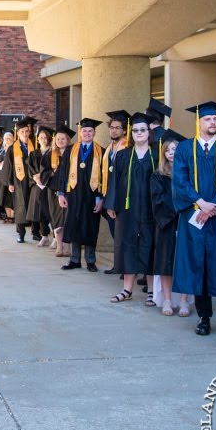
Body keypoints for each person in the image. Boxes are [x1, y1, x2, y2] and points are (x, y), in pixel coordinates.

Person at [172, 102, 216, 336]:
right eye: (208, 119)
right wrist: (200, 202)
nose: (213, 122)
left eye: (215, 119)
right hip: (195, 215)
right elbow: (180, 181)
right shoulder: (184, 149)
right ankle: (204, 318)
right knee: (199, 266)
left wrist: (215, 205)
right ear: (198, 122)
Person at [104, 113, 156, 302]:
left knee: (151, 247)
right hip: (128, 209)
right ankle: (127, 289)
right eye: (135, 130)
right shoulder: (124, 155)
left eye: (143, 130)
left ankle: (152, 291)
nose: (139, 133)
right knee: (128, 245)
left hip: (151, 210)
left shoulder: (156, 155)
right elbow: (114, 181)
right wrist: (111, 204)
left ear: (149, 132)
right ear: (131, 133)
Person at [60, 118, 105, 271]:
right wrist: (61, 194)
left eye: (90, 131)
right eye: (84, 131)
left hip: (92, 196)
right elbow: (63, 173)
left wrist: (101, 198)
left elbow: (105, 178)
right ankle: (74, 260)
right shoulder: (70, 150)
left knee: (91, 227)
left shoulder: (101, 151)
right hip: (74, 194)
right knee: (75, 225)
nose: (87, 133)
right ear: (80, 133)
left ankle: (91, 261)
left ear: (94, 133)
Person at [150, 129, 187, 316]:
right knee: (165, 263)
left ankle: (183, 301)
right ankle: (166, 300)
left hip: (186, 224)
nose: (172, 152)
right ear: (163, 153)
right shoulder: (158, 175)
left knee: (184, 262)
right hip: (166, 223)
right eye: (168, 149)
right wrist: (179, 208)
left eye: (175, 149)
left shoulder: (188, 173)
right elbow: (158, 200)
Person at [101, 110, 130, 248]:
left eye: (117, 128)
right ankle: (118, 264)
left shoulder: (127, 148)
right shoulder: (109, 148)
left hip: (121, 196)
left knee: (122, 231)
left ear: (124, 130)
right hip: (109, 195)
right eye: (112, 127)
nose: (113, 131)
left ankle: (123, 264)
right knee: (114, 230)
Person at [7, 117, 38, 243]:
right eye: (22, 132)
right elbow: (9, 167)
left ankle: (36, 232)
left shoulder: (35, 145)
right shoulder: (12, 149)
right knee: (20, 207)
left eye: (26, 131)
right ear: (17, 133)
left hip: (33, 181)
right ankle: (21, 234)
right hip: (18, 181)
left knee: (34, 206)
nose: (25, 134)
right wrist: (10, 183)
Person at [47, 126, 73, 257]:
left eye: (63, 138)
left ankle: (67, 246)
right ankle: (59, 245)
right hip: (53, 191)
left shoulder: (73, 153)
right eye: (58, 139)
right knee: (57, 218)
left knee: (68, 218)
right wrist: (52, 173)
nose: (60, 141)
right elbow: (43, 171)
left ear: (68, 140)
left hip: (69, 189)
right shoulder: (50, 154)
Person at [0, 129, 15, 223]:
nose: (7, 140)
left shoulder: (14, 150)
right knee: (4, 197)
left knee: (11, 197)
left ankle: (12, 216)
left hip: (11, 175)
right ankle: (7, 216)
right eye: (6, 138)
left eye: (9, 138)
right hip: (1, 176)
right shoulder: (1, 150)